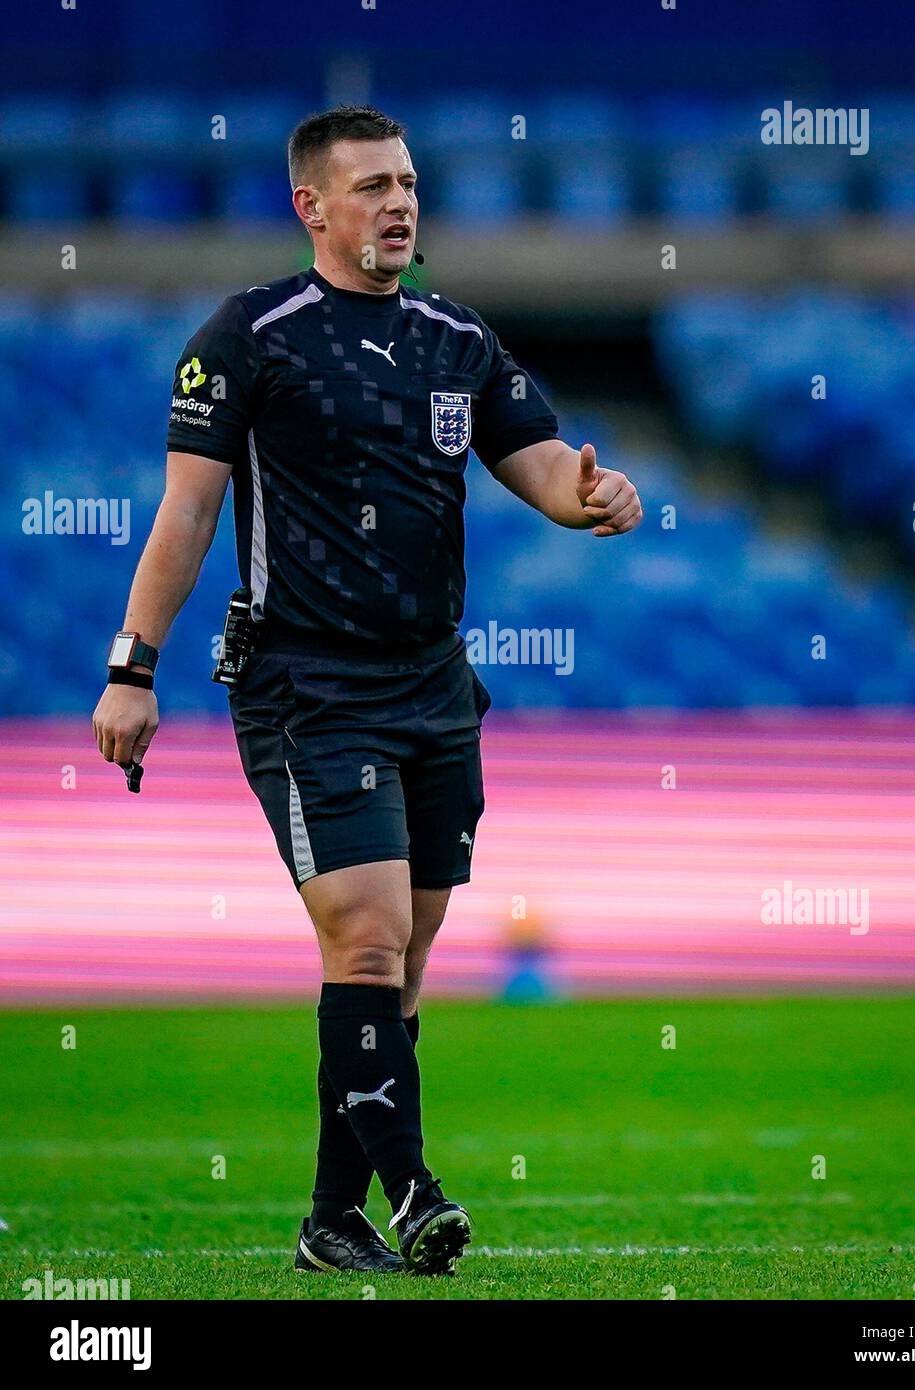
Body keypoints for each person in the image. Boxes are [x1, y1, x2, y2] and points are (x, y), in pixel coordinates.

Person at [91, 104, 643, 1276]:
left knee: (406, 956)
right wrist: (131, 670)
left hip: (435, 684)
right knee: (367, 934)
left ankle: (332, 1221)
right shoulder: (247, 337)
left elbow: (542, 467)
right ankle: (418, 1190)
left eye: (407, 182)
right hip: (306, 682)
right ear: (311, 206)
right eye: (372, 186)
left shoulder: (456, 336)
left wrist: (594, 493)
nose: (400, 203)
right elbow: (188, 514)